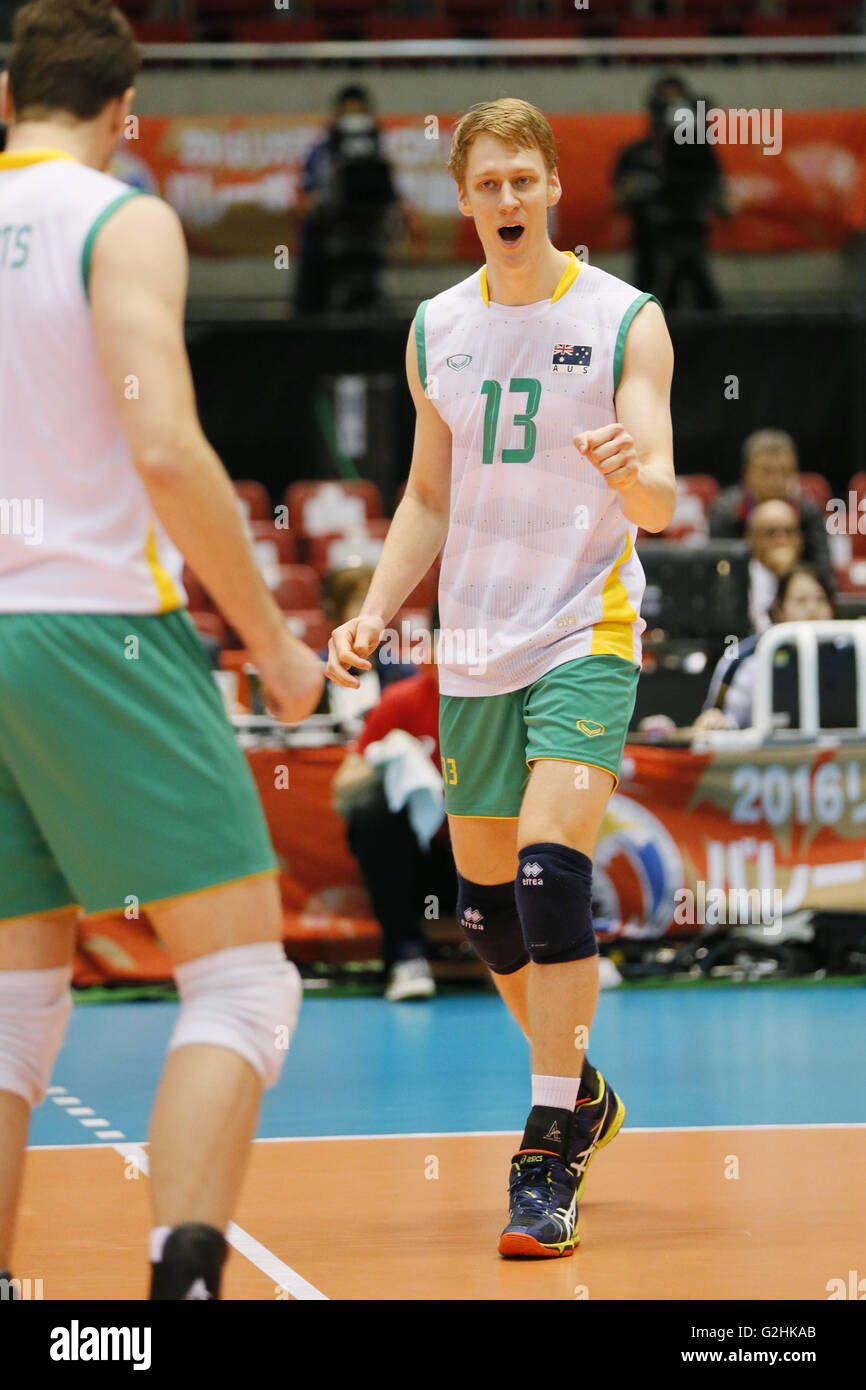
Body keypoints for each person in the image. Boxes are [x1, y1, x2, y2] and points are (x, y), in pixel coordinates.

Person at [0, 0, 324, 1301]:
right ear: (128, 109)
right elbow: (166, 449)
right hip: (92, 628)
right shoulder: (117, 215)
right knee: (241, 985)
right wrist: (277, 644)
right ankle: (177, 1297)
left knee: (13, 1010)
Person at [327, 98, 676, 1259]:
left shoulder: (624, 318)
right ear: (465, 199)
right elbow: (427, 496)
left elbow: (663, 497)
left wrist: (637, 480)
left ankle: (543, 1149)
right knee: (481, 910)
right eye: (489, 186)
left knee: (546, 874)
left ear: (553, 190)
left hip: (585, 627)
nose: (510, 202)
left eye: (526, 181)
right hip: (473, 645)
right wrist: (376, 612)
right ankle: (581, 1090)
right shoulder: (436, 327)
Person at [332, 604, 453, 1001]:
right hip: (419, 868)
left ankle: (559, 942)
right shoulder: (402, 701)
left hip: (485, 863)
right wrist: (390, 758)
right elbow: (342, 790)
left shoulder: (502, 703)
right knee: (372, 810)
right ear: (431, 650)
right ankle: (406, 956)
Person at [294, 84, 417, 316]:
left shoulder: (380, 153)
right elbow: (306, 199)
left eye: (358, 113)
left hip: (369, 236)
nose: (353, 120)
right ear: (337, 116)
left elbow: (393, 196)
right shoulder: (321, 152)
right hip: (328, 238)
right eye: (347, 114)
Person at [613, 74, 725, 310]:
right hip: (651, 240)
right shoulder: (635, 152)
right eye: (667, 105)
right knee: (653, 304)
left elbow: (717, 188)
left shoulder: (700, 151)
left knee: (704, 301)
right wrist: (637, 188)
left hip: (693, 232)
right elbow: (617, 199)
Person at [694, 565, 838, 732]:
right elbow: (725, 719)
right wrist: (717, 721)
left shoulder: (856, 653)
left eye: (821, 599)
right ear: (778, 610)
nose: (813, 610)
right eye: (801, 601)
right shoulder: (745, 658)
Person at [708, 428, 833, 577]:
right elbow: (719, 574)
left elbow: (824, 575)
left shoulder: (808, 513)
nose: (776, 481)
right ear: (746, 474)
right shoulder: (726, 514)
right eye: (766, 472)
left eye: (784, 471)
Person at [746, 498, 805, 632]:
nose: (781, 540)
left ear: (800, 540)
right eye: (770, 532)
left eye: (788, 532)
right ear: (752, 539)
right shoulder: (739, 581)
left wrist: (786, 575)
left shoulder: (812, 580)